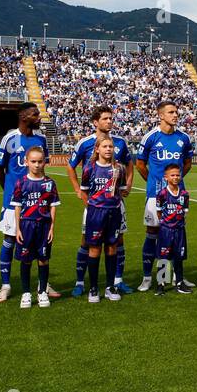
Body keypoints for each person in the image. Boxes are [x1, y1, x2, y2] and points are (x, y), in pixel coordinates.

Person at [66, 106, 133, 296]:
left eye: (111, 118)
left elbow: (129, 165)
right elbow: (71, 167)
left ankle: (117, 281)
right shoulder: (85, 143)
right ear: (95, 122)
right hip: (94, 204)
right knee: (86, 241)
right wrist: (78, 190)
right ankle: (80, 282)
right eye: (105, 118)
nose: (109, 121)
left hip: (114, 203)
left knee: (118, 240)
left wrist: (127, 185)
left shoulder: (119, 142)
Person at [0, 103, 51, 302]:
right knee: (10, 241)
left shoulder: (41, 139)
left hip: (38, 203)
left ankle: (42, 285)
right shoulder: (9, 138)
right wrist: (11, 191)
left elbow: (43, 169)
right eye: (35, 114)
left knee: (39, 242)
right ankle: (5, 285)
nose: (39, 117)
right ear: (23, 116)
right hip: (14, 203)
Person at [137, 101, 195, 292]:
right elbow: (140, 164)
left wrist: (175, 181)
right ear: (161, 115)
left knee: (176, 235)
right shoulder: (151, 137)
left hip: (178, 196)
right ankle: (148, 277)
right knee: (154, 235)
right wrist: (155, 183)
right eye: (171, 112)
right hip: (156, 196)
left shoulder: (183, 138)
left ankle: (176, 279)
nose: (175, 115)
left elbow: (187, 163)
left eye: (176, 111)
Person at [12, 146, 60, 307]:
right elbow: (17, 207)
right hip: (26, 226)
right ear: (26, 162)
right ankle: (26, 293)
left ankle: (42, 292)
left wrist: (52, 227)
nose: (37, 165)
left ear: (44, 162)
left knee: (43, 260)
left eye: (40, 161)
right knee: (26, 260)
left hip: (44, 226)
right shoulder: (21, 183)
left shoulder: (50, 183)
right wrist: (17, 228)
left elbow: (53, 206)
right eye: (33, 161)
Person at [79, 135, 125, 302]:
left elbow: (122, 190)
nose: (108, 149)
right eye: (104, 146)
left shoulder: (119, 168)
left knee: (112, 247)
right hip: (96, 213)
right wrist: (91, 208)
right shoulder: (89, 168)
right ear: (97, 149)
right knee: (94, 248)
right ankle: (93, 288)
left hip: (114, 212)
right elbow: (83, 191)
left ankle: (110, 286)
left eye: (110, 147)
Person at [153, 162, 191, 295]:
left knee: (179, 257)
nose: (175, 177)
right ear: (166, 178)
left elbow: (185, 212)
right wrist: (166, 223)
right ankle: (161, 284)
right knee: (163, 257)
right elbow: (159, 212)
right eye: (172, 175)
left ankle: (179, 283)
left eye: (177, 175)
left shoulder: (185, 194)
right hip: (166, 231)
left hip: (180, 230)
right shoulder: (162, 194)